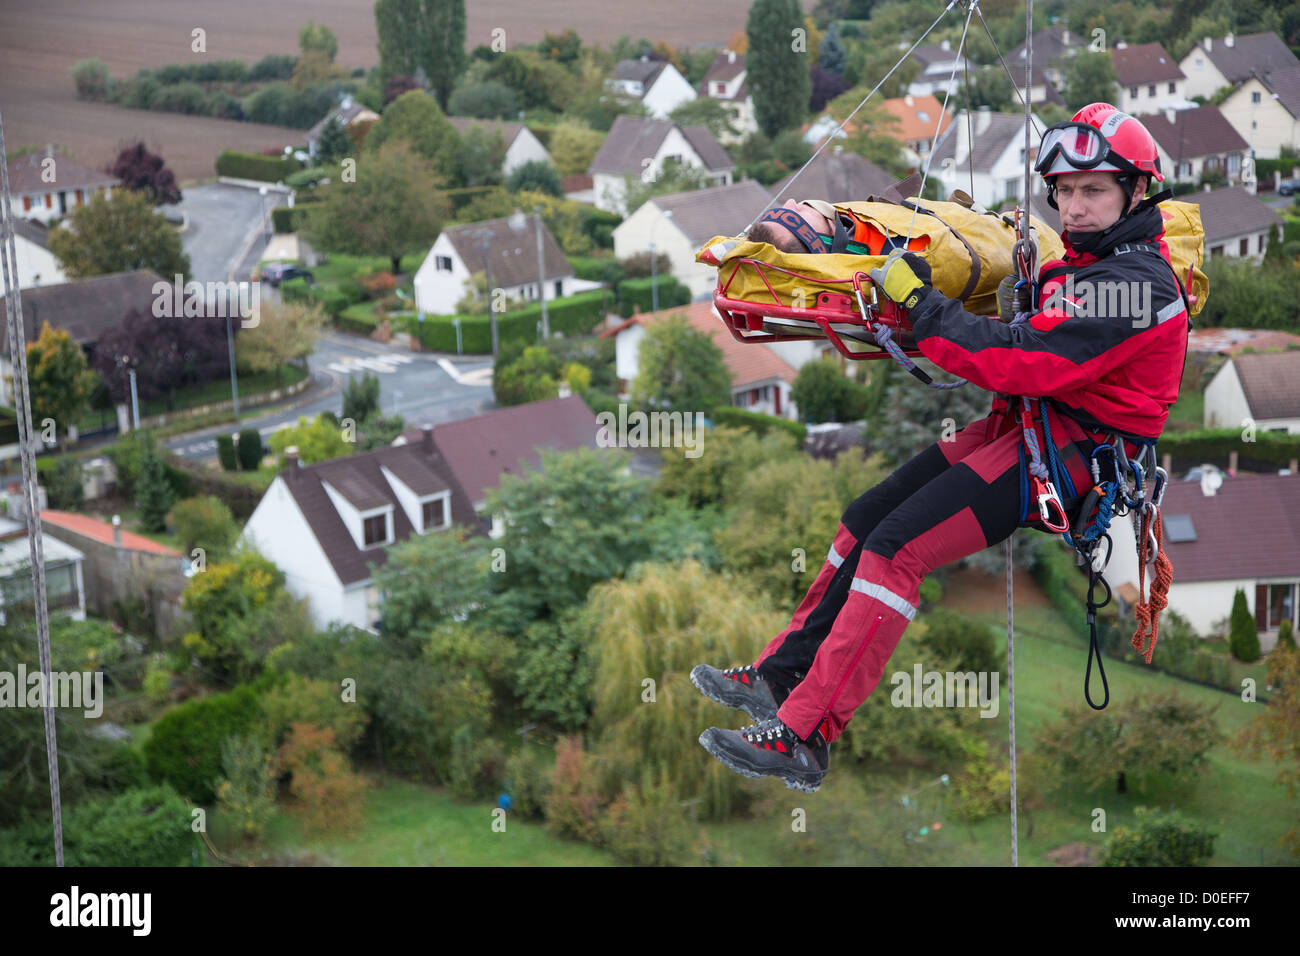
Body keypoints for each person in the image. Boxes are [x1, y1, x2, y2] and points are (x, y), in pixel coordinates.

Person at [694, 103, 1192, 793]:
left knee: (897, 550)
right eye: (1065, 190)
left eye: (1093, 190)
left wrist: (925, 309)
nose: (1073, 207)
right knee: (868, 518)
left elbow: (1026, 358)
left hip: (1071, 457)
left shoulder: (1137, 289)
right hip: (1029, 433)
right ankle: (780, 676)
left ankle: (806, 735)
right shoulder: (1095, 263)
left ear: (1136, 193)